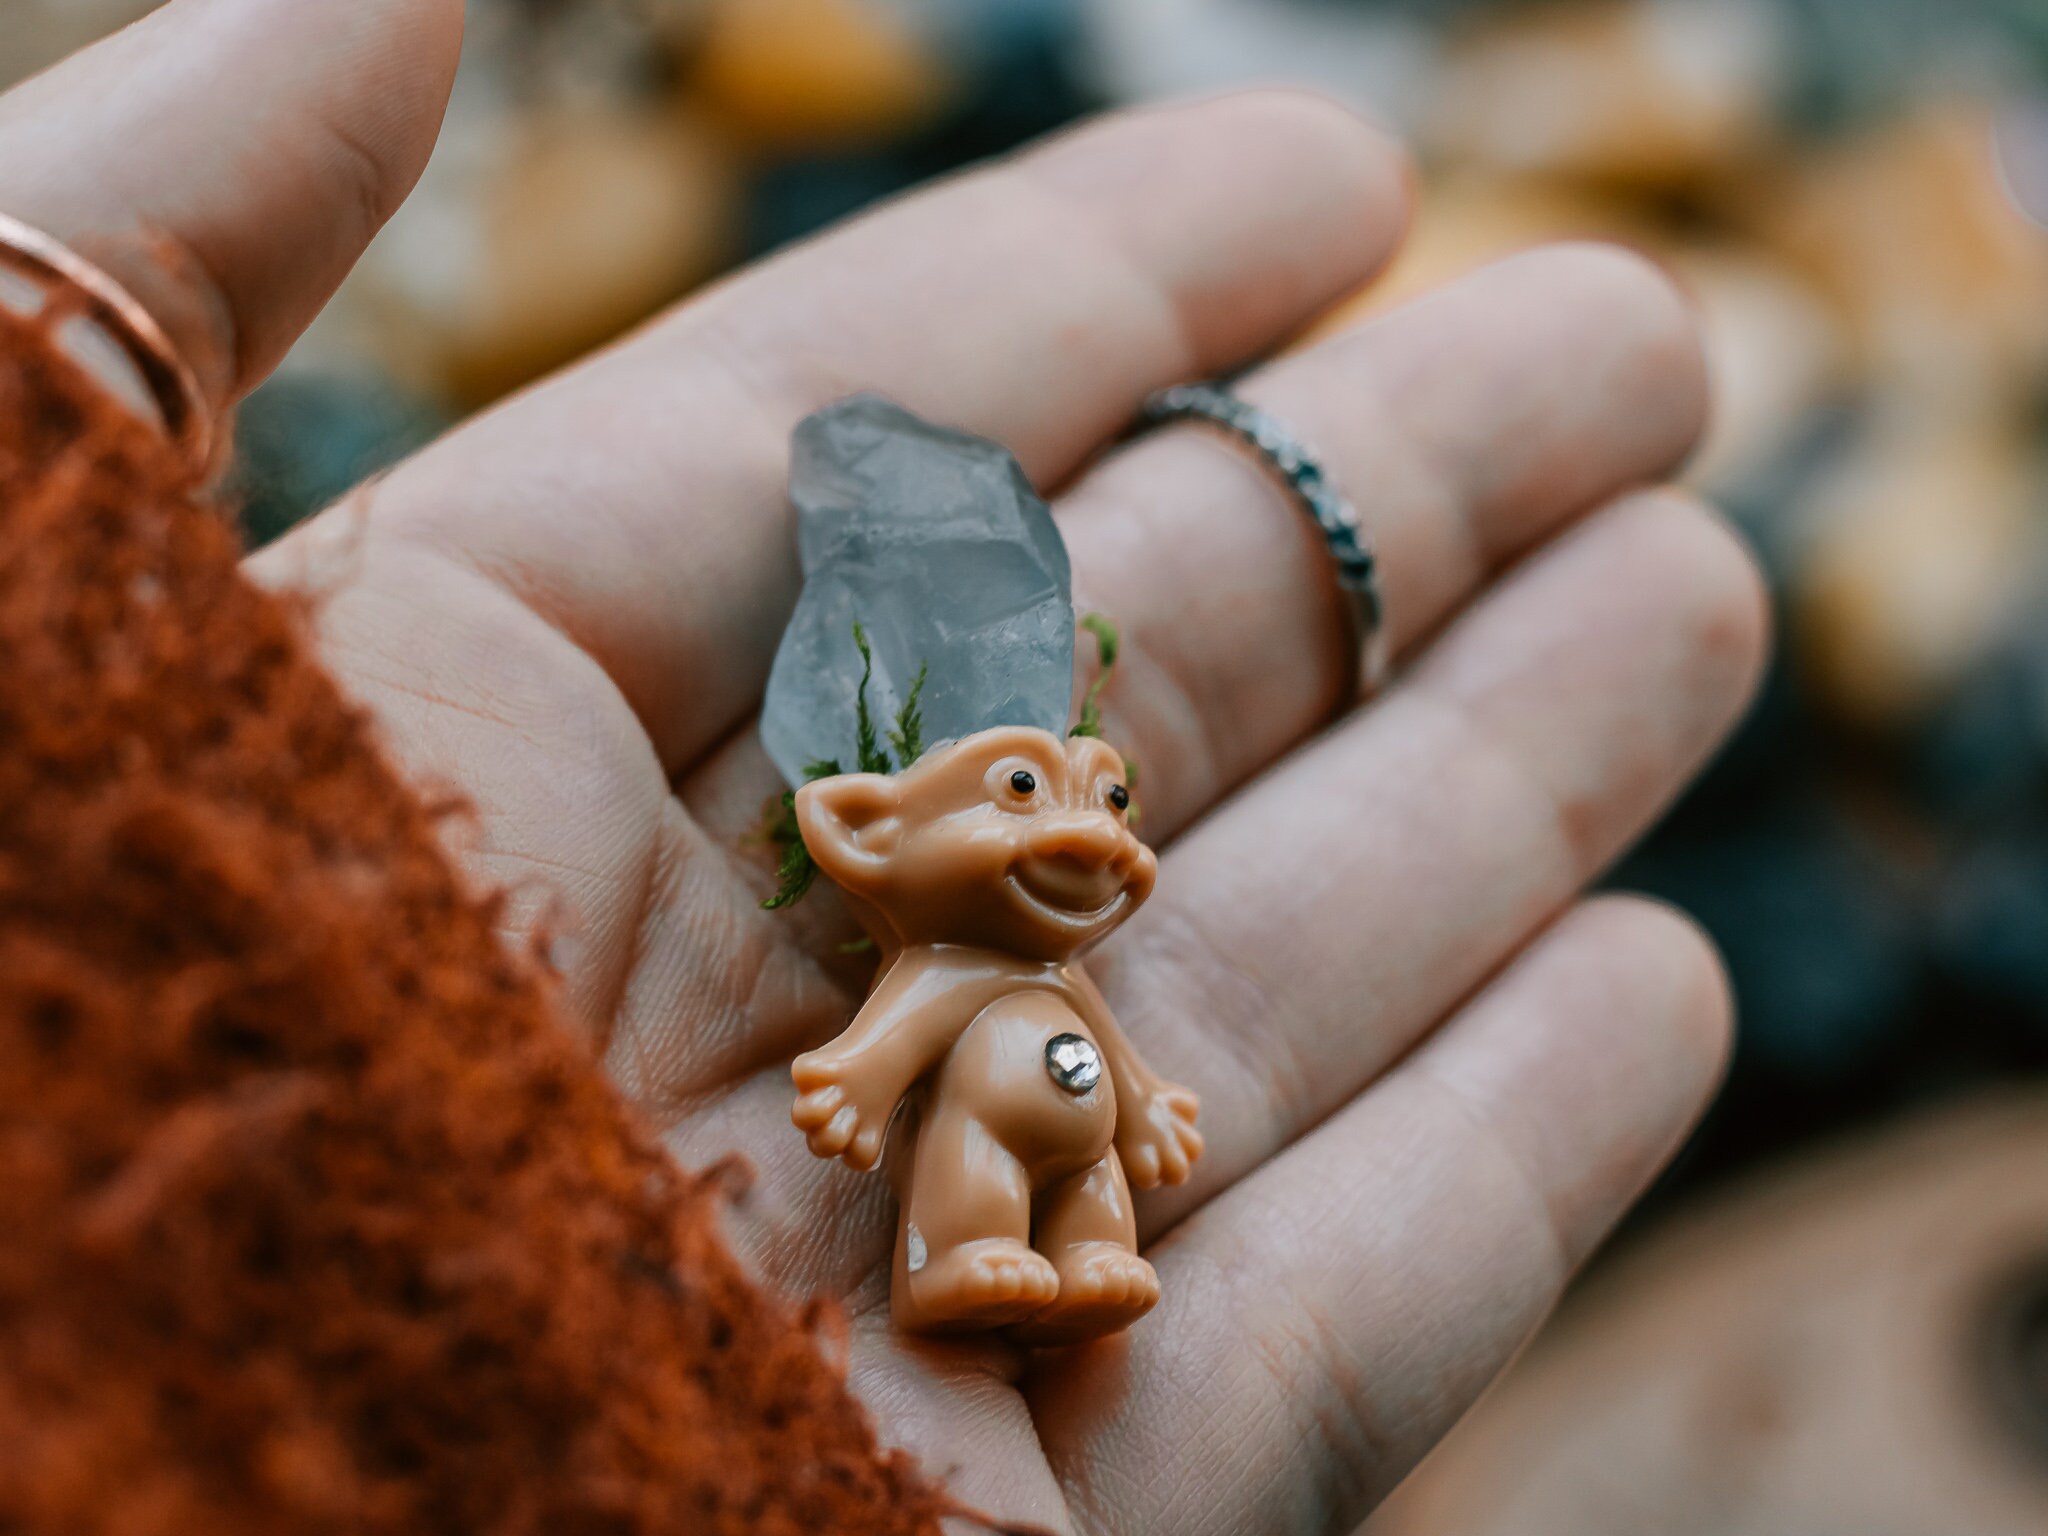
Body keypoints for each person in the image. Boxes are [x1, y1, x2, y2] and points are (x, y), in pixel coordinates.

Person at [0, 1, 1766, 1530]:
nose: (1088, 827)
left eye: (1101, 800)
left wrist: (1141, 1113)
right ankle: (975, 1251)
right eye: (1033, 792)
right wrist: (853, 1085)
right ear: (854, 826)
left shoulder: (1035, 955)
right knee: (986, 1182)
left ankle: (1068, 1257)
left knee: (1081, 1183)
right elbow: (887, 1050)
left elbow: (1109, 1071)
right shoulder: (926, 965)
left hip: (1048, 1130)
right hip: (952, 1158)